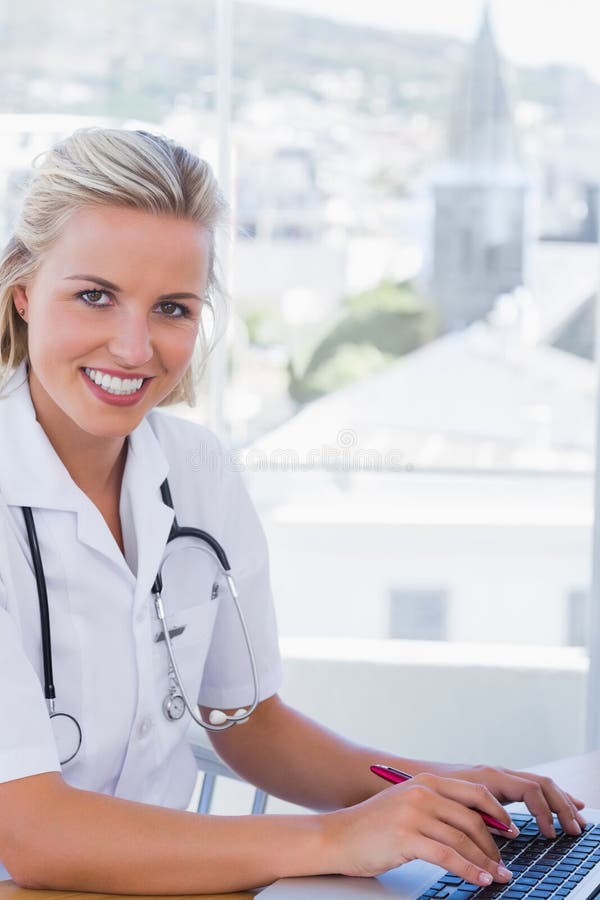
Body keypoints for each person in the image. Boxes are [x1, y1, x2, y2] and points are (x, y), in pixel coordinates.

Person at [0, 127, 586, 895]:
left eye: (172, 308)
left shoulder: (197, 468)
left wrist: (441, 790)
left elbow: (247, 722)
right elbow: (34, 833)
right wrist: (341, 836)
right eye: (95, 296)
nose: (135, 347)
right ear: (23, 293)